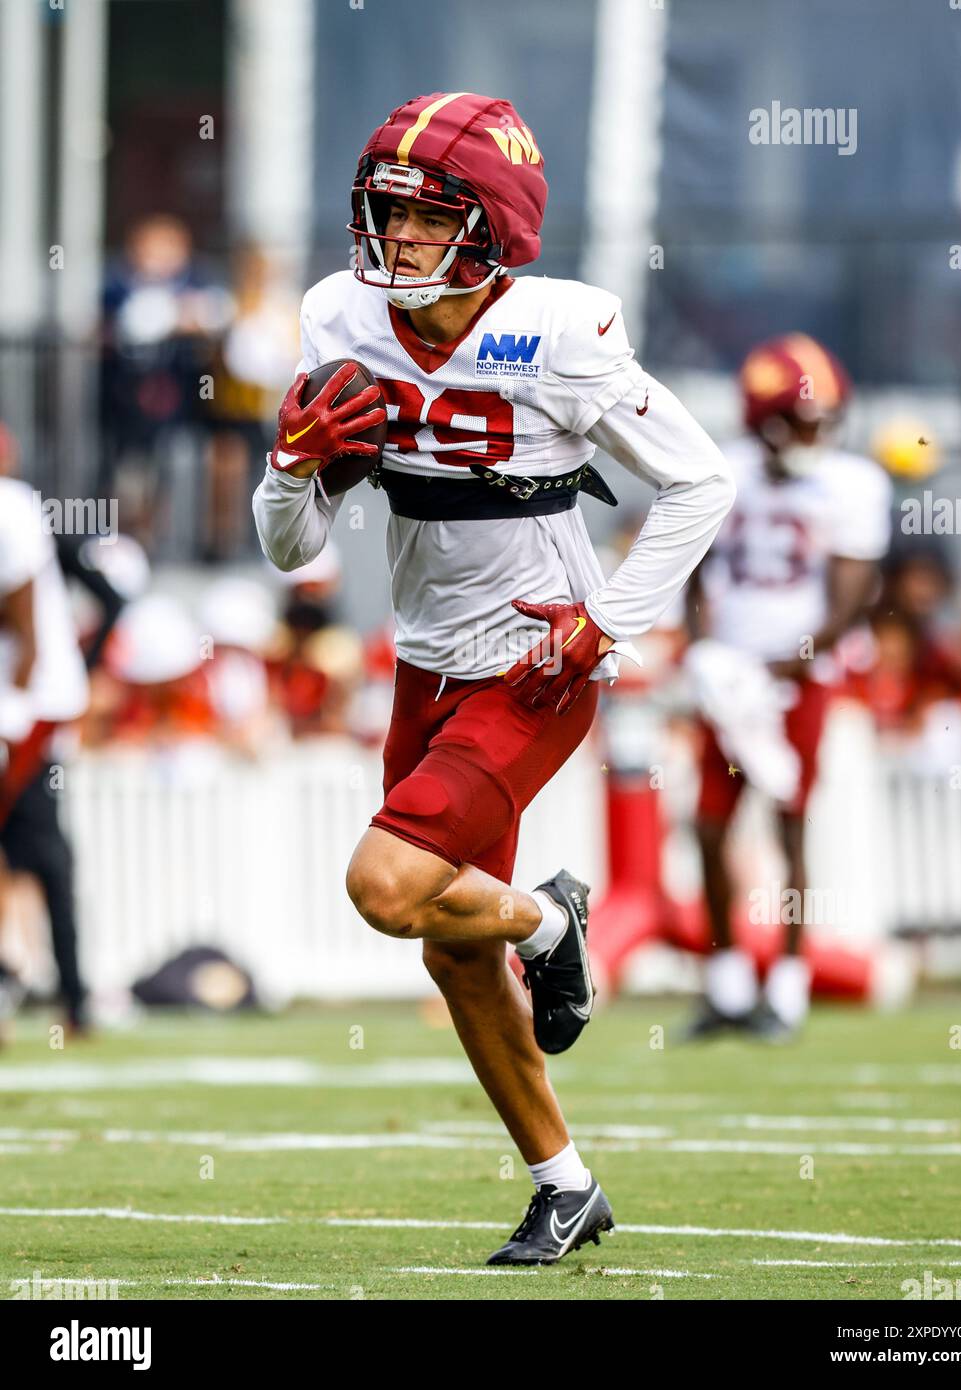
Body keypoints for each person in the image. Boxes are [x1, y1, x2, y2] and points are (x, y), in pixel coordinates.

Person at [253, 91, 735, 1264]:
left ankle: (551, 920)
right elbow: (290, 547)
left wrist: (605, 623)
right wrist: (290, 466)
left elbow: (700, 482)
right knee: (451, 946)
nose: (398, 237)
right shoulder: (341, 318)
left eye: (427, 216)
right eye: (386, 212)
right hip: (423, 663)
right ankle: (565, 1184)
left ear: (492, 224)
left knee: (385, 886)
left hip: (533, 664)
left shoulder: (561, 331)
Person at [683, 334, 891, 1041]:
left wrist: (779, 667)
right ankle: (727, 984)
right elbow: (692, 568)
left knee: (790, 823)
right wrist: (706, 652)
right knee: (709, 824)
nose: (815, 434)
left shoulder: (854, 484)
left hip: (799, 680)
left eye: (823, 419)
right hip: (730, 677)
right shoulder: (723, 470)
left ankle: (789, 984)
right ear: (763, 420)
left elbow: (849, 602)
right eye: (801, 420)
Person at [0, 476, 91, 1036]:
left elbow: (27, 635)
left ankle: (71, 995)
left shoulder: (8, 510)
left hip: (29, 709)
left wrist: (11, 727)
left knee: (44, 856)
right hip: (23, 705)